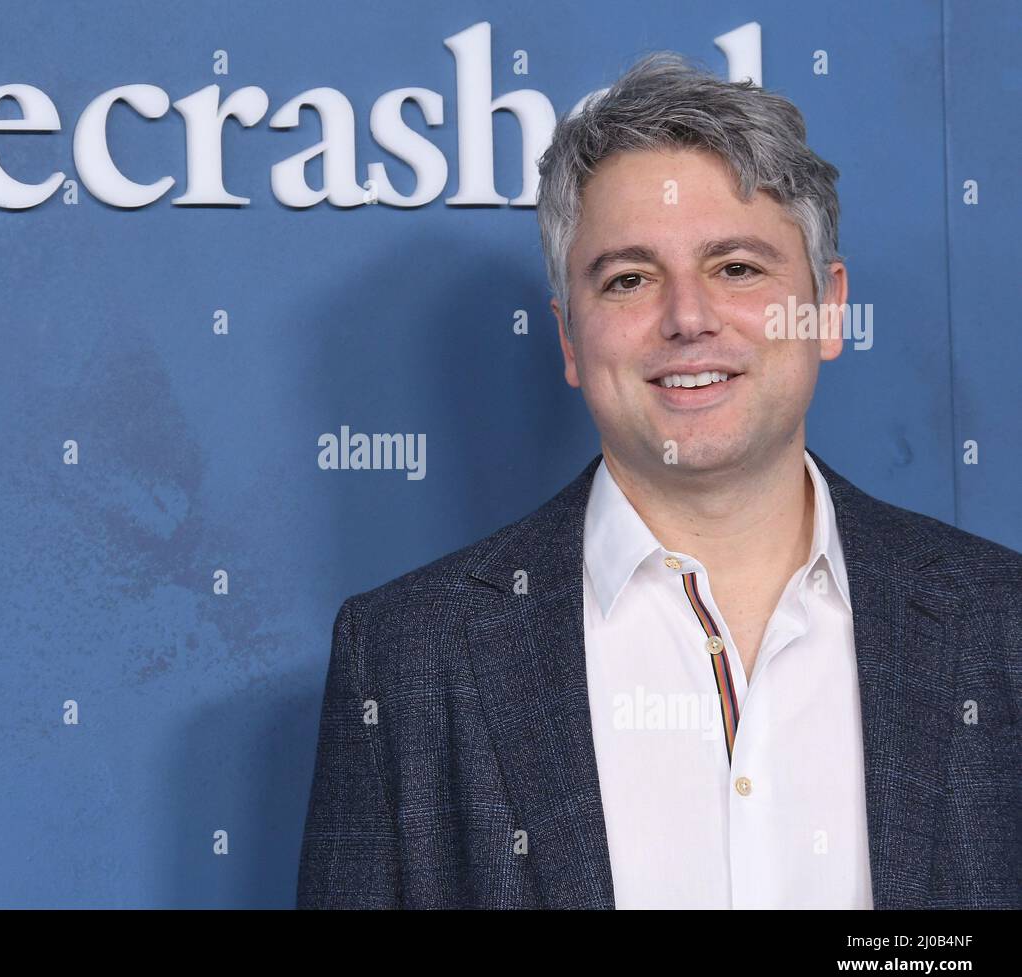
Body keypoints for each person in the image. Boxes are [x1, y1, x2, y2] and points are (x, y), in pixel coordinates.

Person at [297, 53, 1021, 909]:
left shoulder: (1000, 622)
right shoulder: (405, 658)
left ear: (828, 310)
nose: (688, 318)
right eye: (630, 279)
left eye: (738, 268)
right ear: (570, 338)